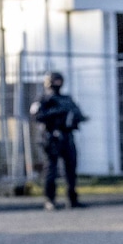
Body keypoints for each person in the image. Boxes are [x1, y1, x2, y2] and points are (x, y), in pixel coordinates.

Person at [32, 71, 86, 209]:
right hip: (50, 138)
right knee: (51, 170)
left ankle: (72, 199)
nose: (57, 84)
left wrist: (73, 117)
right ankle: (50, 200)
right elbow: (37, 115)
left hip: (67, 137)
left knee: (71, 169)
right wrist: (56, 112)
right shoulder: (43, 99)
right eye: (55, 81)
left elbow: (78, 114)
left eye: (59, 81)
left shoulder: (66, 99)